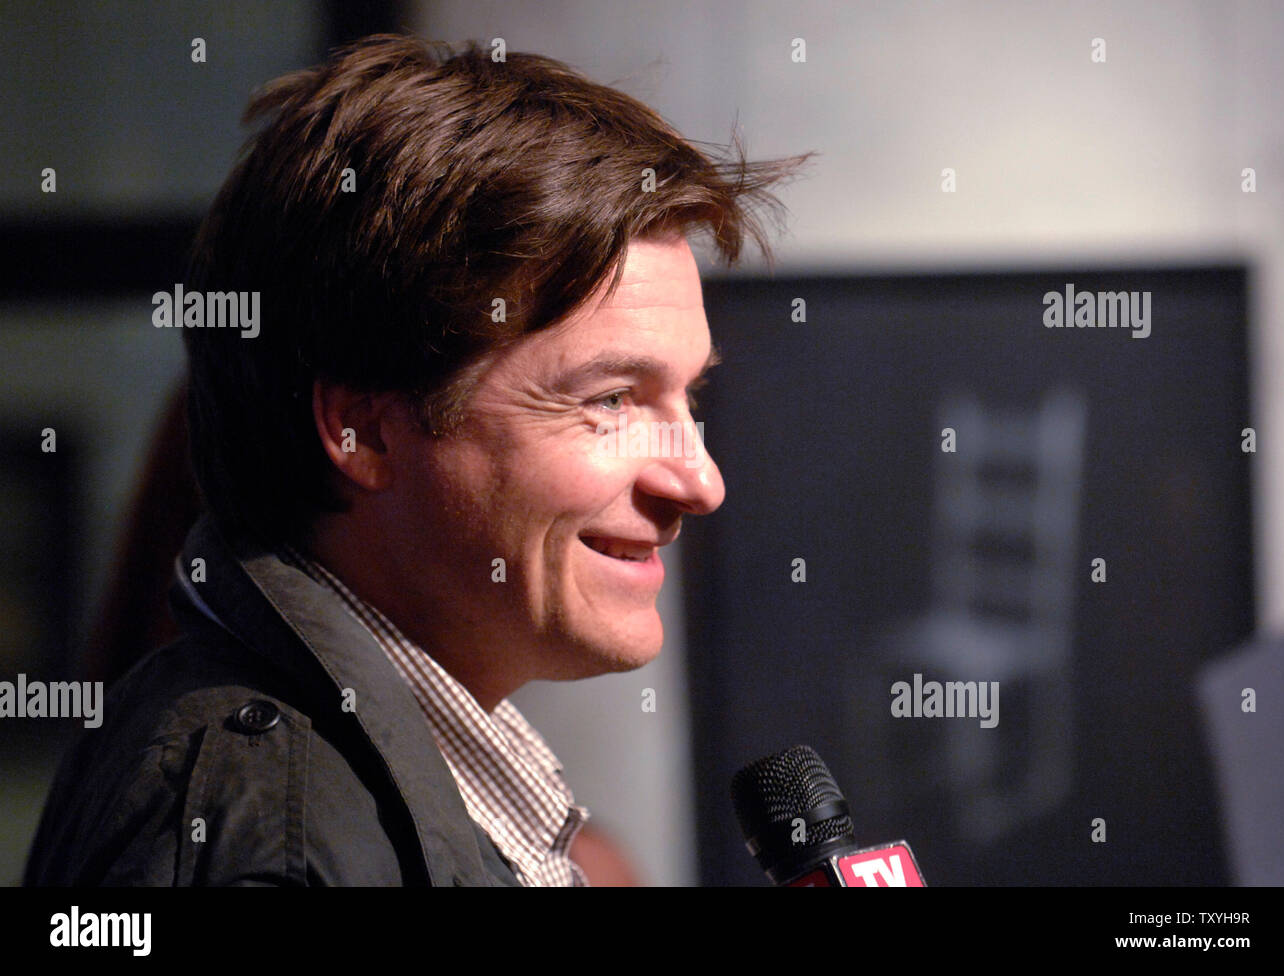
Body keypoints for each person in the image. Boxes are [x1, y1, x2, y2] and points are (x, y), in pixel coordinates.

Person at [25, 34, 809, 886]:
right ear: (364, 430)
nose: (699, 481)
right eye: (611, 401)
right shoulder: (275, 843)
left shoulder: (342, 790)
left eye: (688, 399)